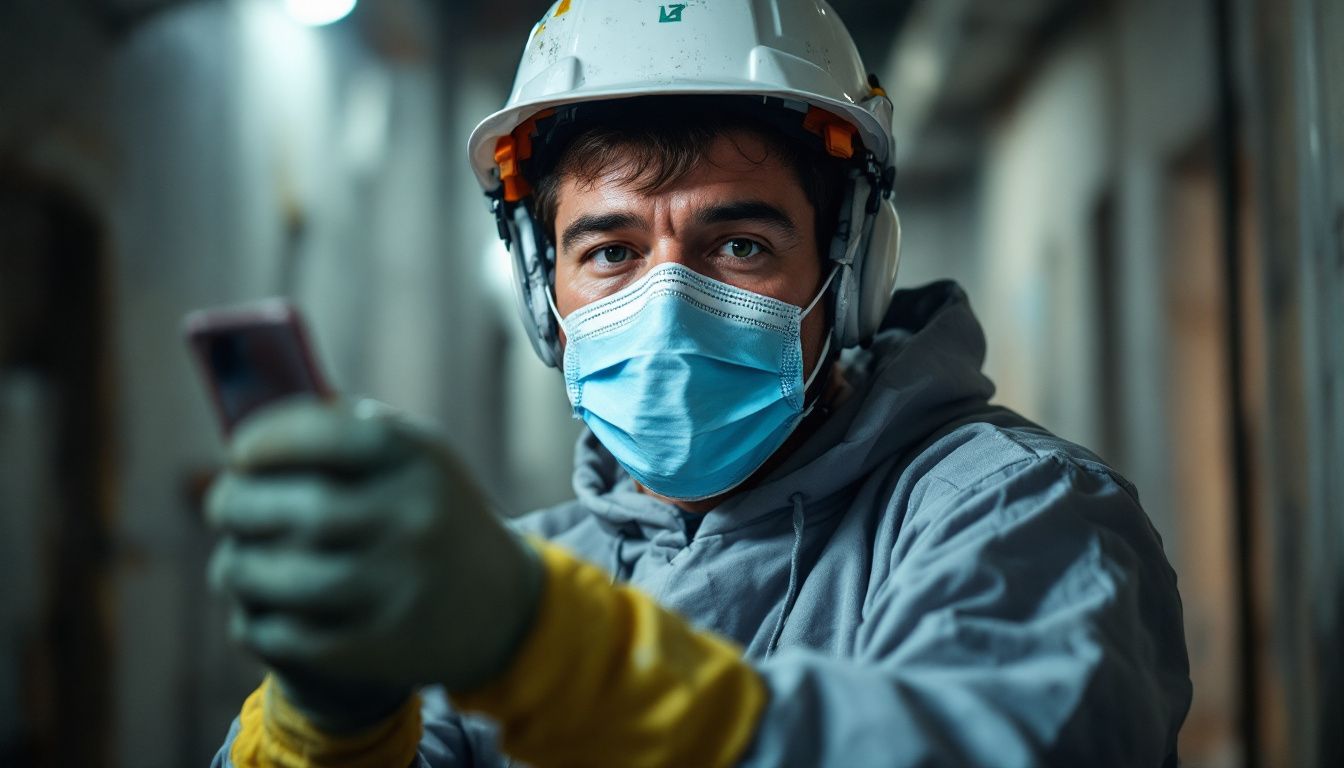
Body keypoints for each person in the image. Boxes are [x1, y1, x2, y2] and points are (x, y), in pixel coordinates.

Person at [209, 1, 1192, 765]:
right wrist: (328, 721)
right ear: (539, 292)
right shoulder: (523, 577)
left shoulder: (1018, 516)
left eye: (738, 243)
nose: (668, 307)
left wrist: (552, 659)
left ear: (849, 275)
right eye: (610, 251)